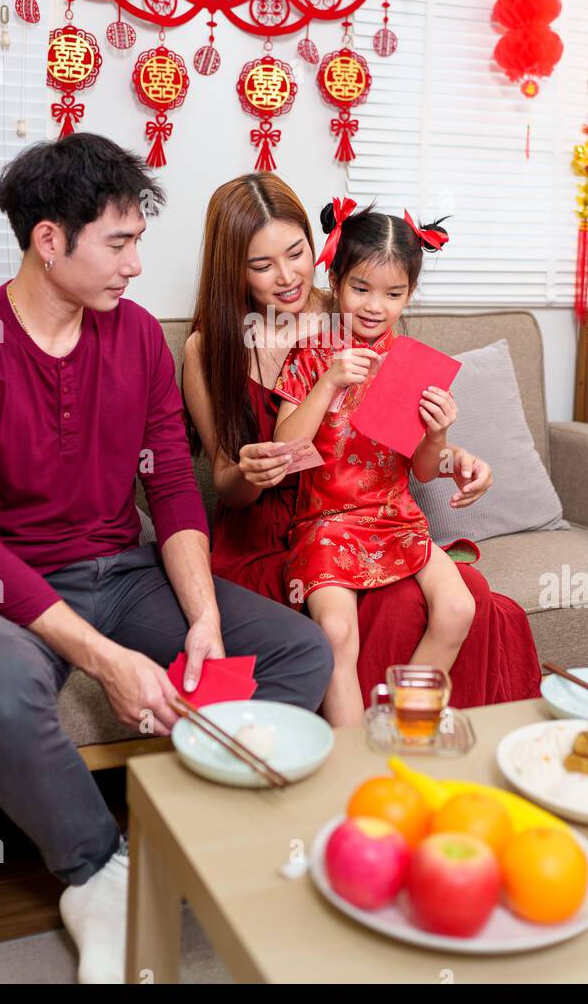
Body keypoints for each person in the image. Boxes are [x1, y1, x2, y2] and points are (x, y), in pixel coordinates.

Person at [0, 134, 333, 985]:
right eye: (120, 242)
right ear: (49, 241)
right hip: (1, 592)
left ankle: (165, 844)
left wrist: (204, 613)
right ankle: (97, 873)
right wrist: (106, 662)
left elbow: (172, 487)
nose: (137, 266)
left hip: (125, 569)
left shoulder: (136, 339)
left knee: (301, 648)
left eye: (139, 241)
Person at [182, 173, 542, 709]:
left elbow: (400, 442)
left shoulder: (357, 304)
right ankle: (351, 761)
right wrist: (252, 471)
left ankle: (407, 744)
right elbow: (227, 486)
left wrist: (454, 458)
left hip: (367, 515)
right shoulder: (207, 349)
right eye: (261, 265)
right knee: (345, 623)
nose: (286, 277)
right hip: (267, 534)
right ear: (231, 269)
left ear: (321, 250)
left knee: (464, 601)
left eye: (296, 253)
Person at [272, 200, 477, 726]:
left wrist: (440, 433)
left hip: (394, 517)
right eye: (360, 288)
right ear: (335, 280)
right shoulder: (310, 356)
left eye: (393, 294)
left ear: (409, 294)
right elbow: (285, 454)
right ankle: (350, 756)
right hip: (327, 523)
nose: (374, 306)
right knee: (336, 631)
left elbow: (426, 470)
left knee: (458, 607)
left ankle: (395, 726)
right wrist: (328, 383)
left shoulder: (412, 364)